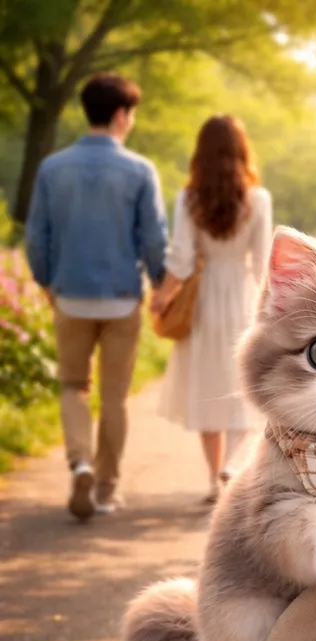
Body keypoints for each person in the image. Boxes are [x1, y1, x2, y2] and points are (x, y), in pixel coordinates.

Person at [25, 73, 168, 519]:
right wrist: (160, 283)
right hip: (123, 297)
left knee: (73, 385)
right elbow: (153, 239)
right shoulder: (140, 170)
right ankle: (106, 490)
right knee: (114, 397)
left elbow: (36, 236)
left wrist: (47, 282)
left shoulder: (52, 168)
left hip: (69, 295)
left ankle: (80, 462)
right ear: (122, 115)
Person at [153, 115, 273, 503]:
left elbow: (182, 258)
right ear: (242, 150)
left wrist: (163, 296)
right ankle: (233, 470)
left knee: (208, 389)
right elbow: (263, 261)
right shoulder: (258, 199)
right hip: (243, 295)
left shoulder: (189, 199)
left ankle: (212, 479)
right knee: (242, 390)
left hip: (204, 301)